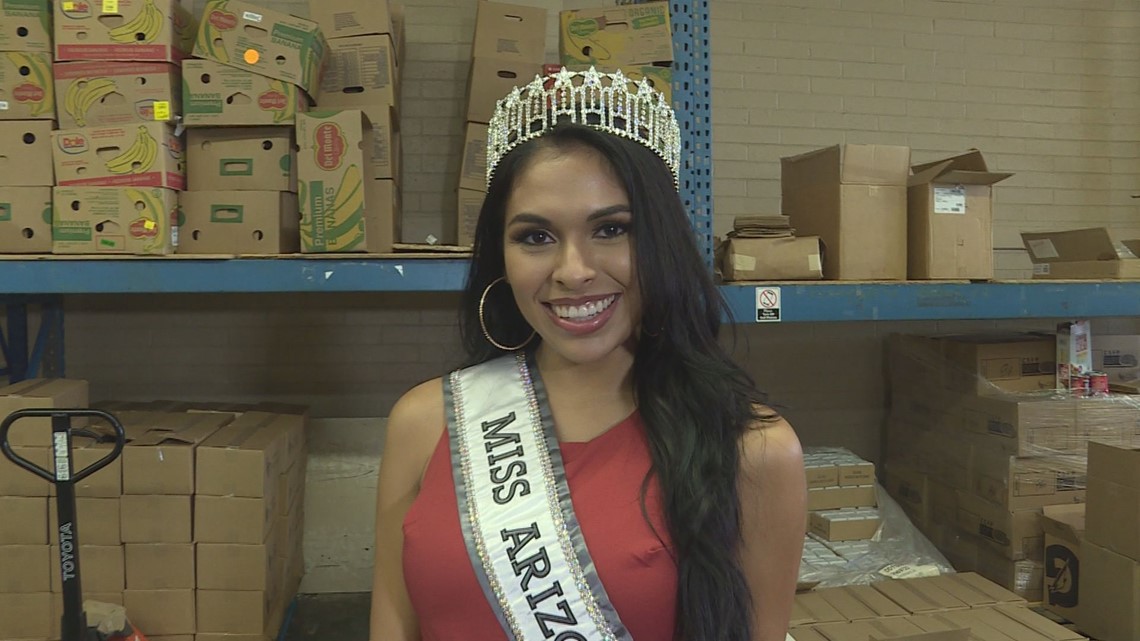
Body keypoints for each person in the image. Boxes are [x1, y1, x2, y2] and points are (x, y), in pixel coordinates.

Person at [370, 68, 806, 641]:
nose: (573, 271)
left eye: (612, 229)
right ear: (499, 255)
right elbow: (393, 624)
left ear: (661, 242)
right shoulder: (425, 422)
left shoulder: (754, 450)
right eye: (535, 237)